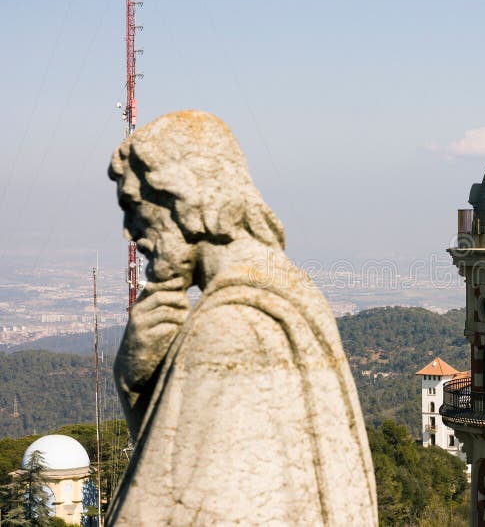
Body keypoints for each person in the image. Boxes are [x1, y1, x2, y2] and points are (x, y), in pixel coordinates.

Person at [106, 110, 377, 526]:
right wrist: (140, 385)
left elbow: (191, 511)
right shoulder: (286, 288)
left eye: (133, 206)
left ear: (181, 196)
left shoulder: (233, 326)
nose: (129, 231)